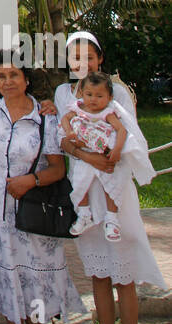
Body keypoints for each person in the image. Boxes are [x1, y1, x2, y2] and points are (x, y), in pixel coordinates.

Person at [58, 57, 164, 324]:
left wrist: (111, 155)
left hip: (114, 191)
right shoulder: (69, 94)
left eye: (88, 56)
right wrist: (86, 156)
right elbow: (64, 141)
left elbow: (130, 139)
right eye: (76, 56)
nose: (82, 62)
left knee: (124, 277)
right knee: (99, 277)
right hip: (88, 192)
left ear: (99, 59)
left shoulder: (114, 97)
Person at [0, 59, 80, 324]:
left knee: (36, 275)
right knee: (9, 275)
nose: (8, 82)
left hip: (33, 206)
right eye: (2, 76)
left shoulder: (45, 117)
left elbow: (58, 169)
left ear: (26, 80)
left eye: (14, 75)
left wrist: (29, 181)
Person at [62, 73, 150, 240]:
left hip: (105, 153)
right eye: (89, 94)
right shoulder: (77, 109)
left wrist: (117, 149)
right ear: (81, 93)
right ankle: (84, 214)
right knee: (80, 183)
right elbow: (65, 119)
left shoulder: (108, 113)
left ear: (109, 97)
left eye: (99, 96)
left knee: (110, 184)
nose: (93, 100)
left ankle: (112, 219)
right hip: (85, 154)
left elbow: (121, 130)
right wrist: (70, 132)